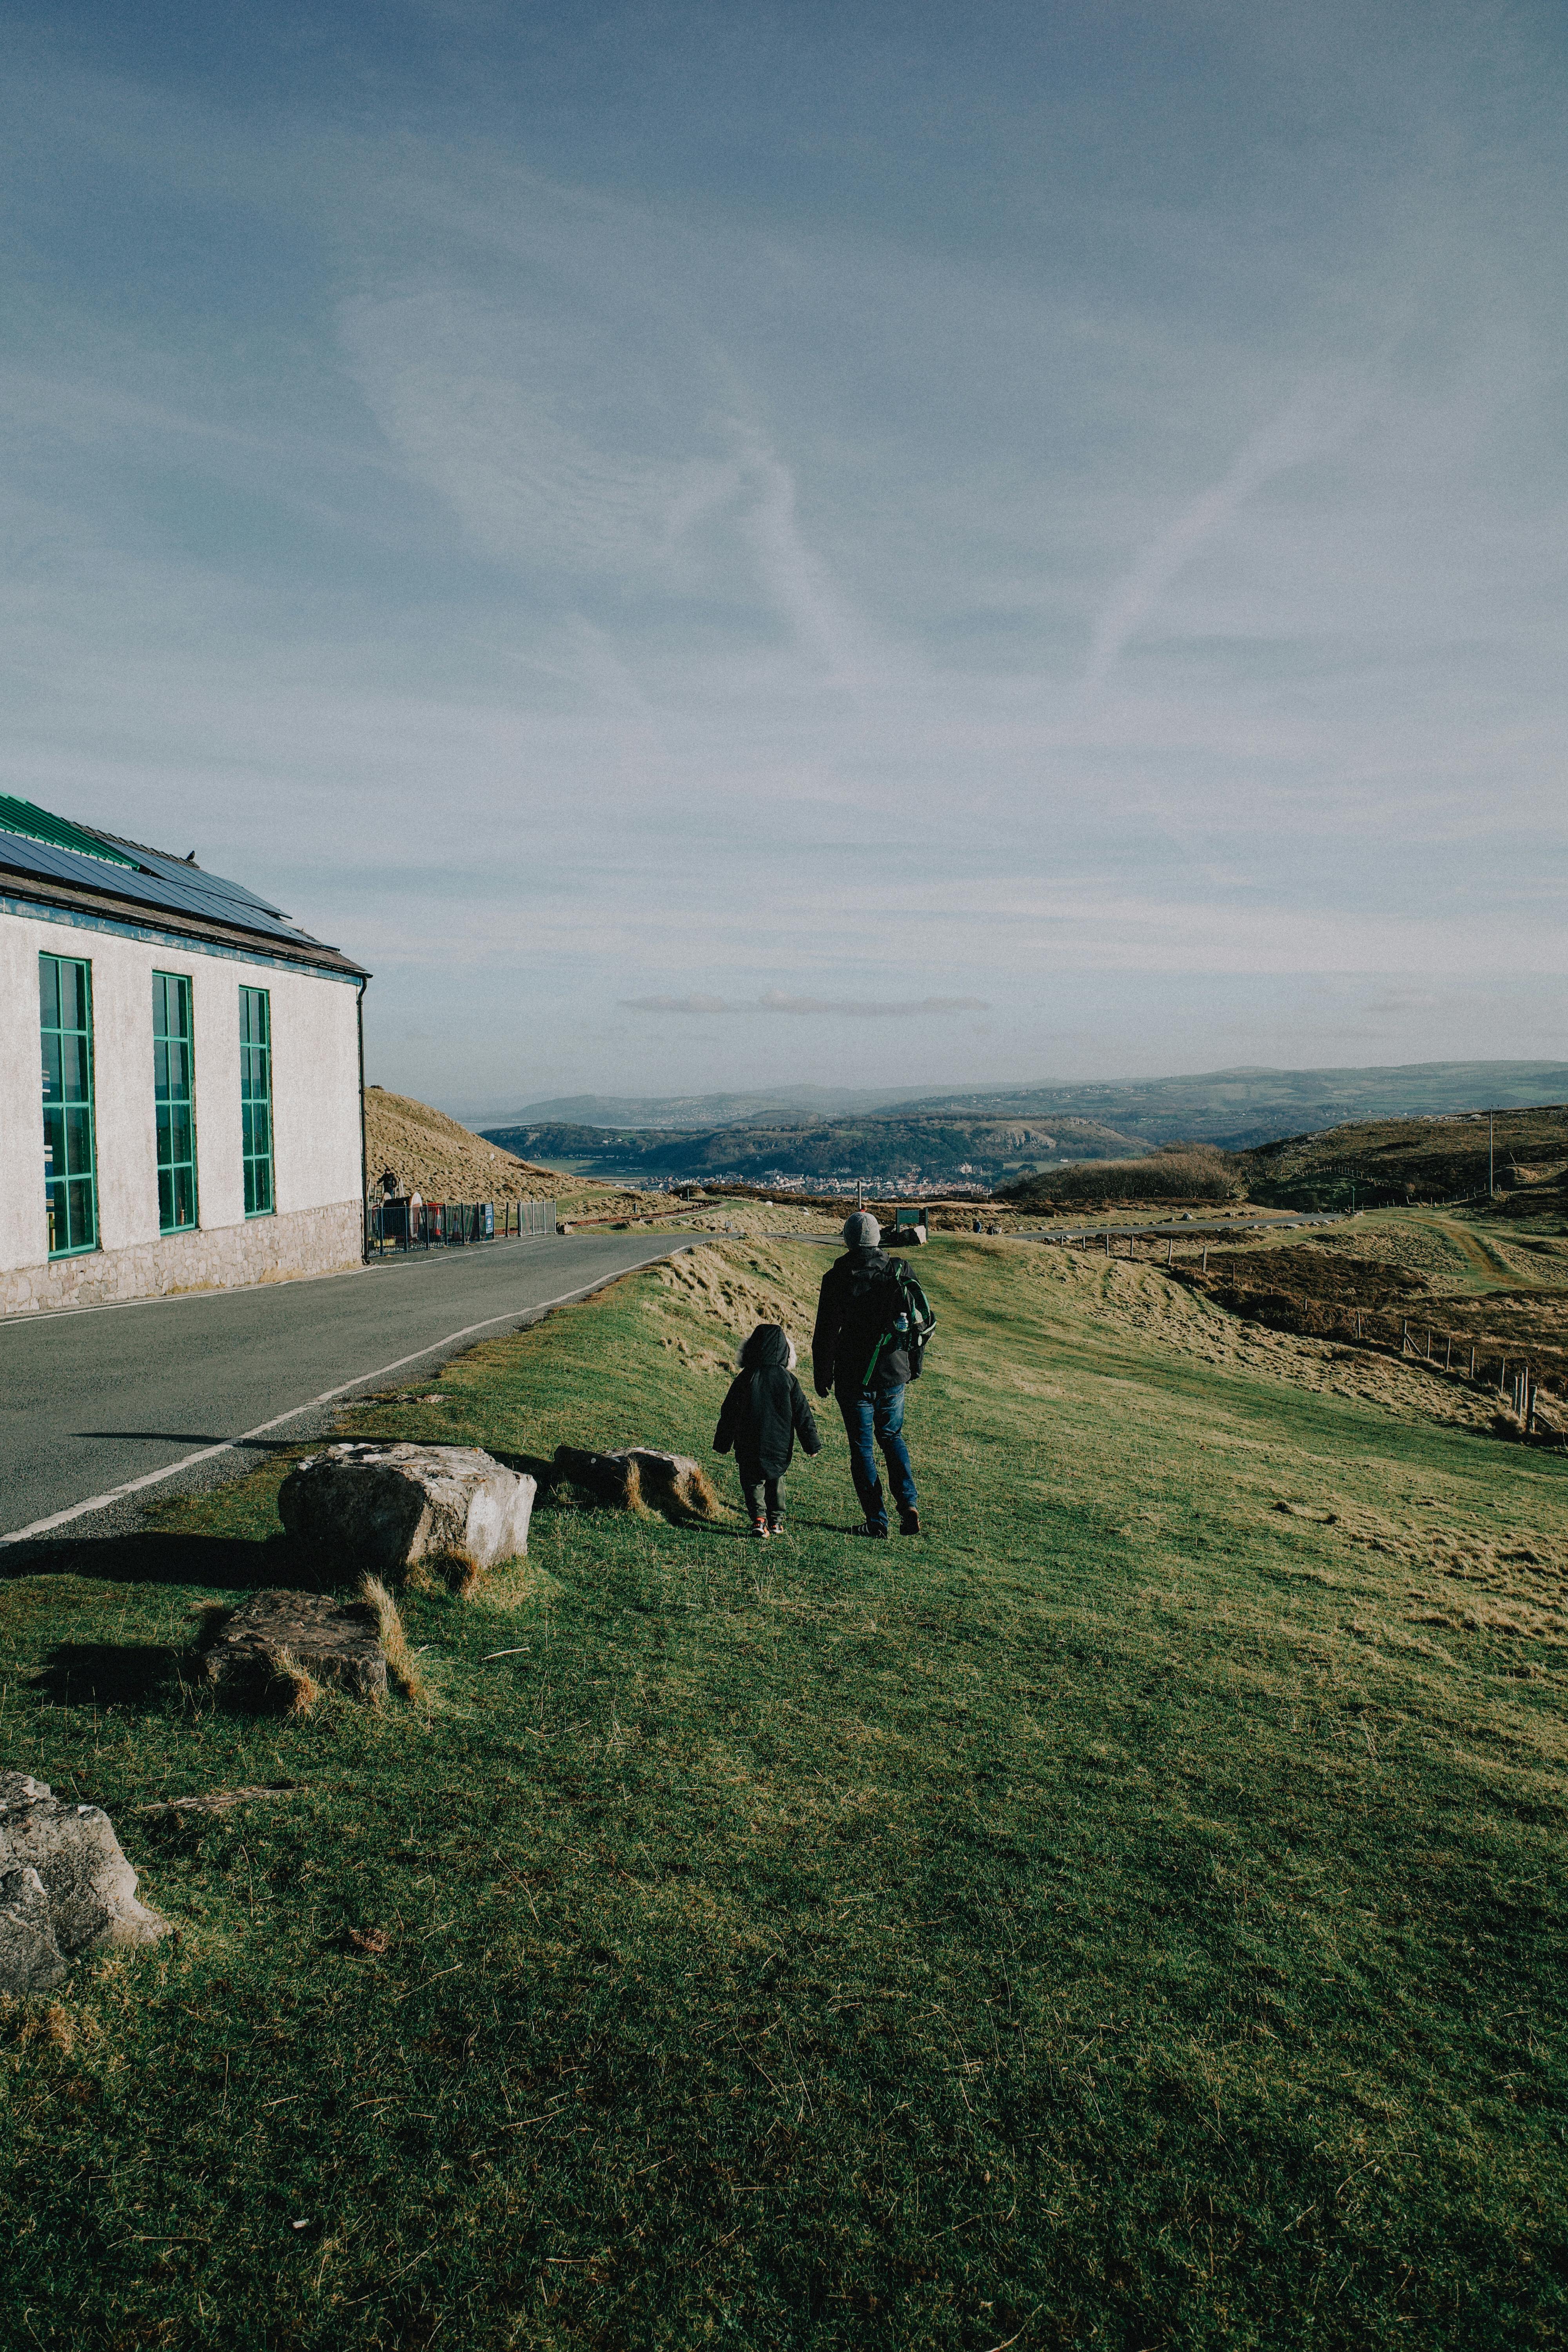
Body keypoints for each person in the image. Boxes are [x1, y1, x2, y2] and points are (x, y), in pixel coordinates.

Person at [812, 1211, 921, 1538]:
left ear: (847, 1239)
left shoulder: (837, 1277)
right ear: (877, 1239)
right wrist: (914, 1364)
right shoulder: (898, 1270)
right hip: (894, 1371)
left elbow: (826, 1333)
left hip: (853, 1375)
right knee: (891, 1437)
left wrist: (822, 1374)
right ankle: (908, 1505)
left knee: (862, 1449)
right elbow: (916, 1323)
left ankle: (877, 1521)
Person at [713, 1323, 821, 1538]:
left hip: (749, 1443)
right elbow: (803, 1414)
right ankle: (777, 1522)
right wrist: (811, 1444)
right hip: (779, 1444)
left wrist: (723, 1443)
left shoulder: (746, 1377)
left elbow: (730, 1412)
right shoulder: (789, 1380)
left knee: (753, 1481)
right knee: (776, 1479)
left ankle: (759, 1519)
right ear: (785, 1352)